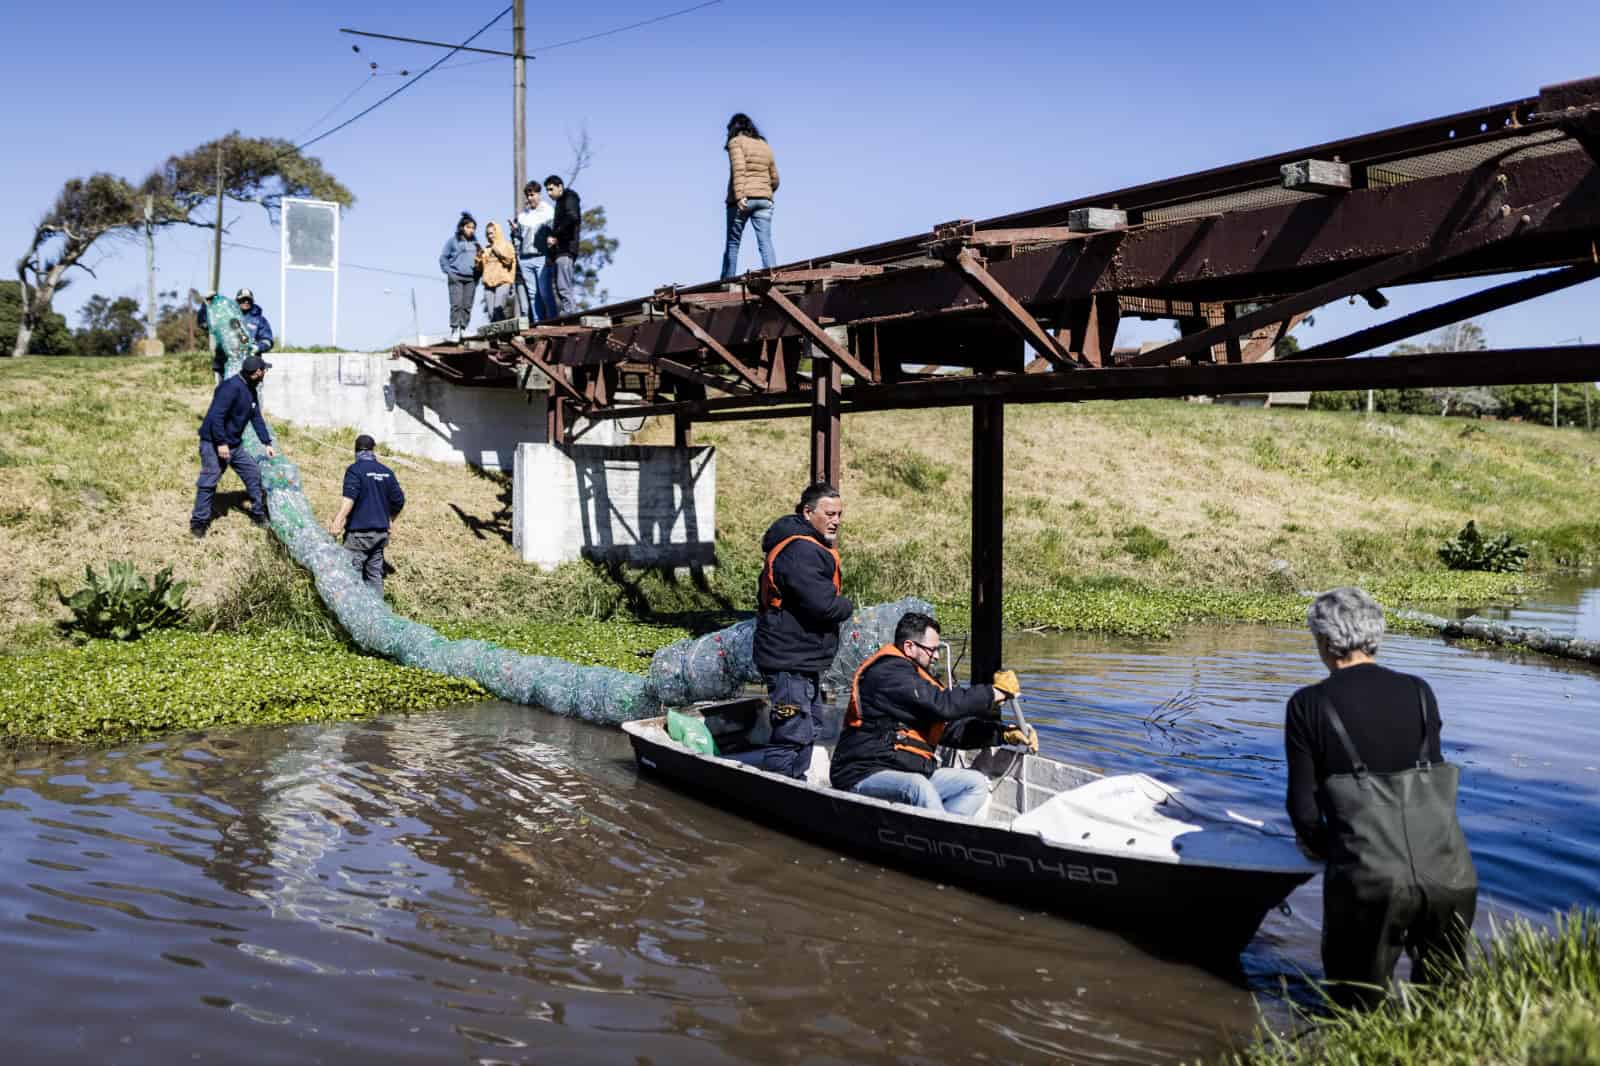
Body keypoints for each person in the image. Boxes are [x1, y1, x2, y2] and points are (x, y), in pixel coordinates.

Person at [1285, 587, 1478, 1010]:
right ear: (1375, 634)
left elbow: (1303, 809)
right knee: (1445, 1007)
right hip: (1449, 870)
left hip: (1370, 879)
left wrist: (1321, 848)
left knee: (1354, 1011)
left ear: (1323, 638)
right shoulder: (1420, 691)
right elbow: (1427, 779)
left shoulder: (1308, 705)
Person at [832, 612, 1033, 815]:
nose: (936, 656)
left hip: (905, 771)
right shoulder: (888, 673)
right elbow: (943, 704)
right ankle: (947, 837)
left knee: (976, 783)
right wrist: (994, 693)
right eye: (932, 650)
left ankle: (944, 836)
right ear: (909, 647)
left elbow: (950, 729)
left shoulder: (916, 679)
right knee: (918, 786)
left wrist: (1002, 733)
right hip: (863, 773)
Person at [749, 482, 855, 779]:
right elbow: (824, 606)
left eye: (839, 514)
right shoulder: (800, 552)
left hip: (801, 658)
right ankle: (778, 792)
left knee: (810, 727)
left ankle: (796, 781)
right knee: (792, 732)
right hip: (788, 659)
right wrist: (847, 606)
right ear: (808, 513)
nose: (835, 521)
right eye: (829, 513)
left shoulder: (808, 545)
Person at [190, 355, 277, 537]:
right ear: (258, 372)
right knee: (209, 481)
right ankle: (198, 523)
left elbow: (256, 418)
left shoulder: (250, 390)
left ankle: (258, 514)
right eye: (264, 370)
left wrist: (266, 442)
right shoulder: (229, 388)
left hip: (234, 445)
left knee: (253, 473)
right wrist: (221, 443)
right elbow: (216, 417)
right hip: (214, 443)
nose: (265, 374)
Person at [327, 434, 406, 597]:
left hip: (359, 535)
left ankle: (353, 614)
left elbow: (349, 500)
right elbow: (399, 500)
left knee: (351, 575)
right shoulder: (387, 472)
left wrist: (337, 522)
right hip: (380, 535)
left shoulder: (355, 470)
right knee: (374, 575)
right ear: (373, 450)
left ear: (356, 450)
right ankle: (379, 615)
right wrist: (390, 520)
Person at [721, 113, 780, 279]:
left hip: (742, 200)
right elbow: (775, 177)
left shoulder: (736, 142)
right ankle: (773, 274)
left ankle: (727, 280)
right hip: (764, 200)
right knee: (765, 241)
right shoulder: (763, 145)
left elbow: (739, 170)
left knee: (733, 243)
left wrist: (740, 196)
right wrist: (766, 193)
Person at [197, 288, 274, 381]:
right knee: (225, 393)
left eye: (248, 299)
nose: (246, 302)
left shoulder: (260, 320)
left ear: (253, 301)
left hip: (250, 368)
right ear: (237, 301)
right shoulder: (224, 315)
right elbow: (204, 323)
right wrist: (207, 304)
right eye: (242, 299)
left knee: (249, 395)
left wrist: (257, 347)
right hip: (224, 364)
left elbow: (267, 340)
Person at [513, 180, 556, 321]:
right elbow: (518, 237)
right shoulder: (522, 216)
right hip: (525, 259)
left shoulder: (549, 211)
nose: (529, 198)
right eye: (528, 195)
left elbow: (554, 234)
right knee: (532, 294)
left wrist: (551, 255)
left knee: (545, 292)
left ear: (539, 194)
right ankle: (538, 322)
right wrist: (517, 245)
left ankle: (553, 321)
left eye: (532, 195)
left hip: (541, 257)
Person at [439, 212, 481, 342]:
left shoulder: (476, 243)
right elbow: (443, 258)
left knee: (467, 305)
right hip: (456, 277)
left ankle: (464, 328)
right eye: (469, 227)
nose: (471, 230)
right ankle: (455, 330)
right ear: (462, 227)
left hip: (471, 279)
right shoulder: (453, 241)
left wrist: (478, 275)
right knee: (456, 304)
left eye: (473, 228)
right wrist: (449, 272)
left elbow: (480, 260)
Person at [543, 175, 581, 317]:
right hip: (560, 250)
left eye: (551, 189)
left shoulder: (569, 197)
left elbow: (572, 216)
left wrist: (555, 235)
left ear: (560, 187)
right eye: (547, 190)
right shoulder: (560, 202)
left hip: (567, 249)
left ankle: (570, 313)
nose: (549, 193)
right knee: (560, 285)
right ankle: (567, 312)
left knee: (564, 285)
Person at [477, 221, 517, 324]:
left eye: (492, 233)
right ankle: (498, 337)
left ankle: (505, 335)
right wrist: (478, 258)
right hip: (488, 285)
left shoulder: (506, 245)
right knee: (491, 314)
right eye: (488, 234)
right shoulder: (486, 249)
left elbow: (509, 261)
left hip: (503, 282)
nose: (490, 236)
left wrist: (496, 250)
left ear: (497, 232)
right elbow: (480, 269)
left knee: (497, 310)